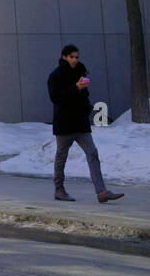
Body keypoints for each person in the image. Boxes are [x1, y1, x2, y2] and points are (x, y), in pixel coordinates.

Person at [48, 44, 123, 204]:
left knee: (92, 153)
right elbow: (55, 97)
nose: (75, 60)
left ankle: (102, 191)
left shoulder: (80, 72)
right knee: (61, 156)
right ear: (64, 57)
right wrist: (75, 87)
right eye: (72, 57)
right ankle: (59, 190)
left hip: (80, 123)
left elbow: (84, 96)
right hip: (64, 123)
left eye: (77, 57)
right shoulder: (56, 75)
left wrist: (88, 108)